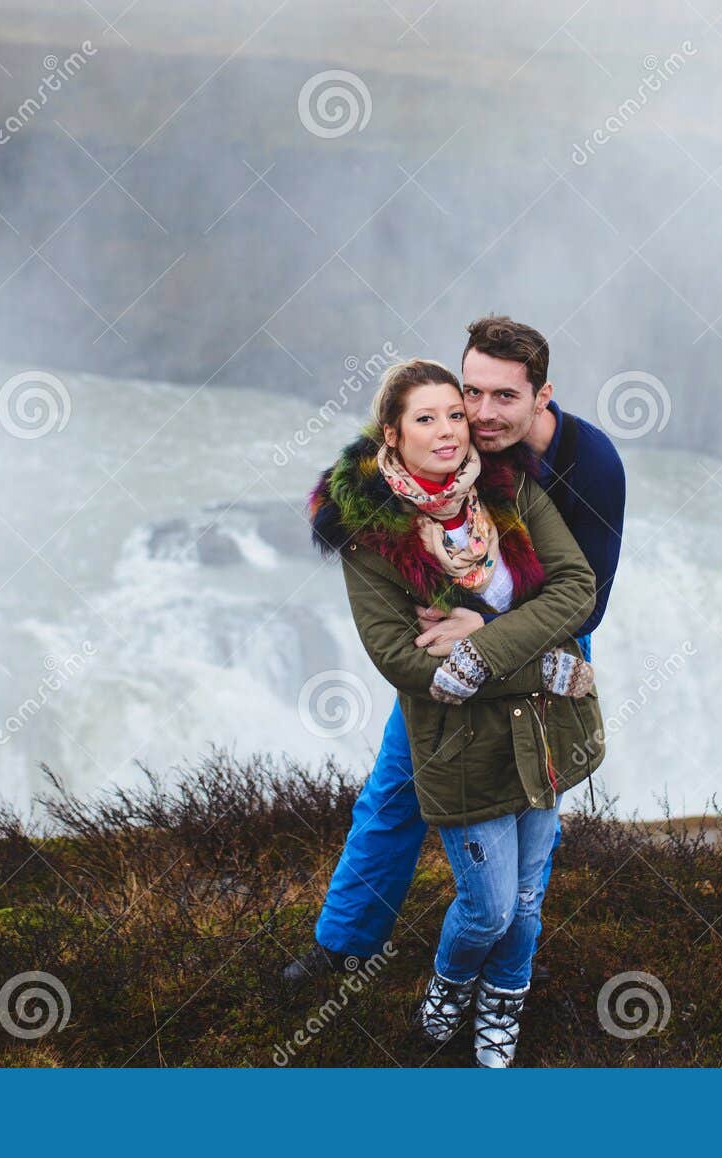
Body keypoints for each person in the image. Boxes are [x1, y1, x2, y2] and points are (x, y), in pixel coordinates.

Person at [288, 315, 626, 977]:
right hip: (446, 648)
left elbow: (589, 598)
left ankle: (507, 960)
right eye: (472, 392)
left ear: (542, 395)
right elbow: (369, 477)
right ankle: (344, 947)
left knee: (535, 794)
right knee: (395, 790)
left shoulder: (590, 464)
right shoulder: (446, 437)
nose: (481, 413)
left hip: (543, 645)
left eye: (505, 396)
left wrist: (489, 635)